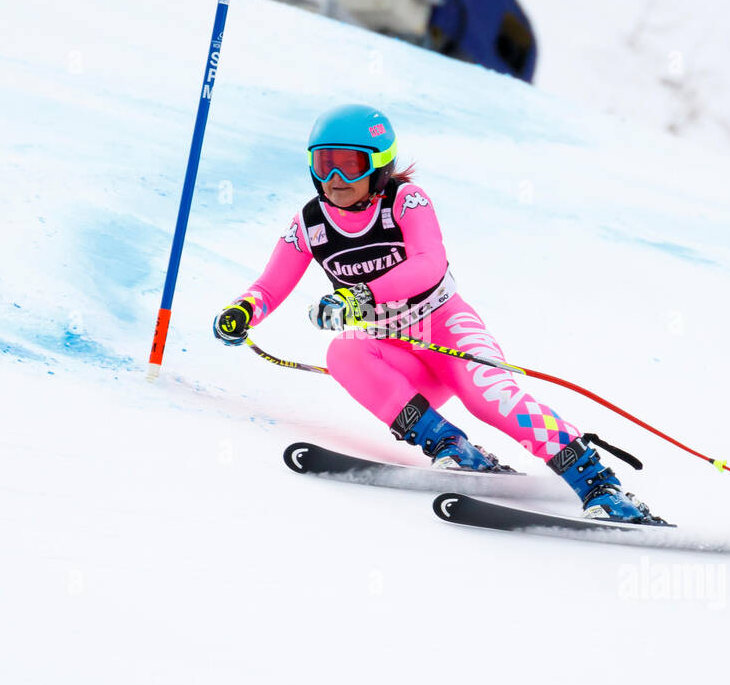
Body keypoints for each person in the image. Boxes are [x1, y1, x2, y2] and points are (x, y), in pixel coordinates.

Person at [213, 104, 661, 523]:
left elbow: (427, 265)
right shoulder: (310, 224)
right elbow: (271, 285)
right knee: (344, 353)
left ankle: (600, 486)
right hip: (396, 349)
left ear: (379, 165)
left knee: (487, 397)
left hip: (445, 328)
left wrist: (358, 296)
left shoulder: (407, 201)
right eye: (322, 162)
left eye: (349, 164)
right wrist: (243, 312)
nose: (333, 177)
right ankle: (451, 445)